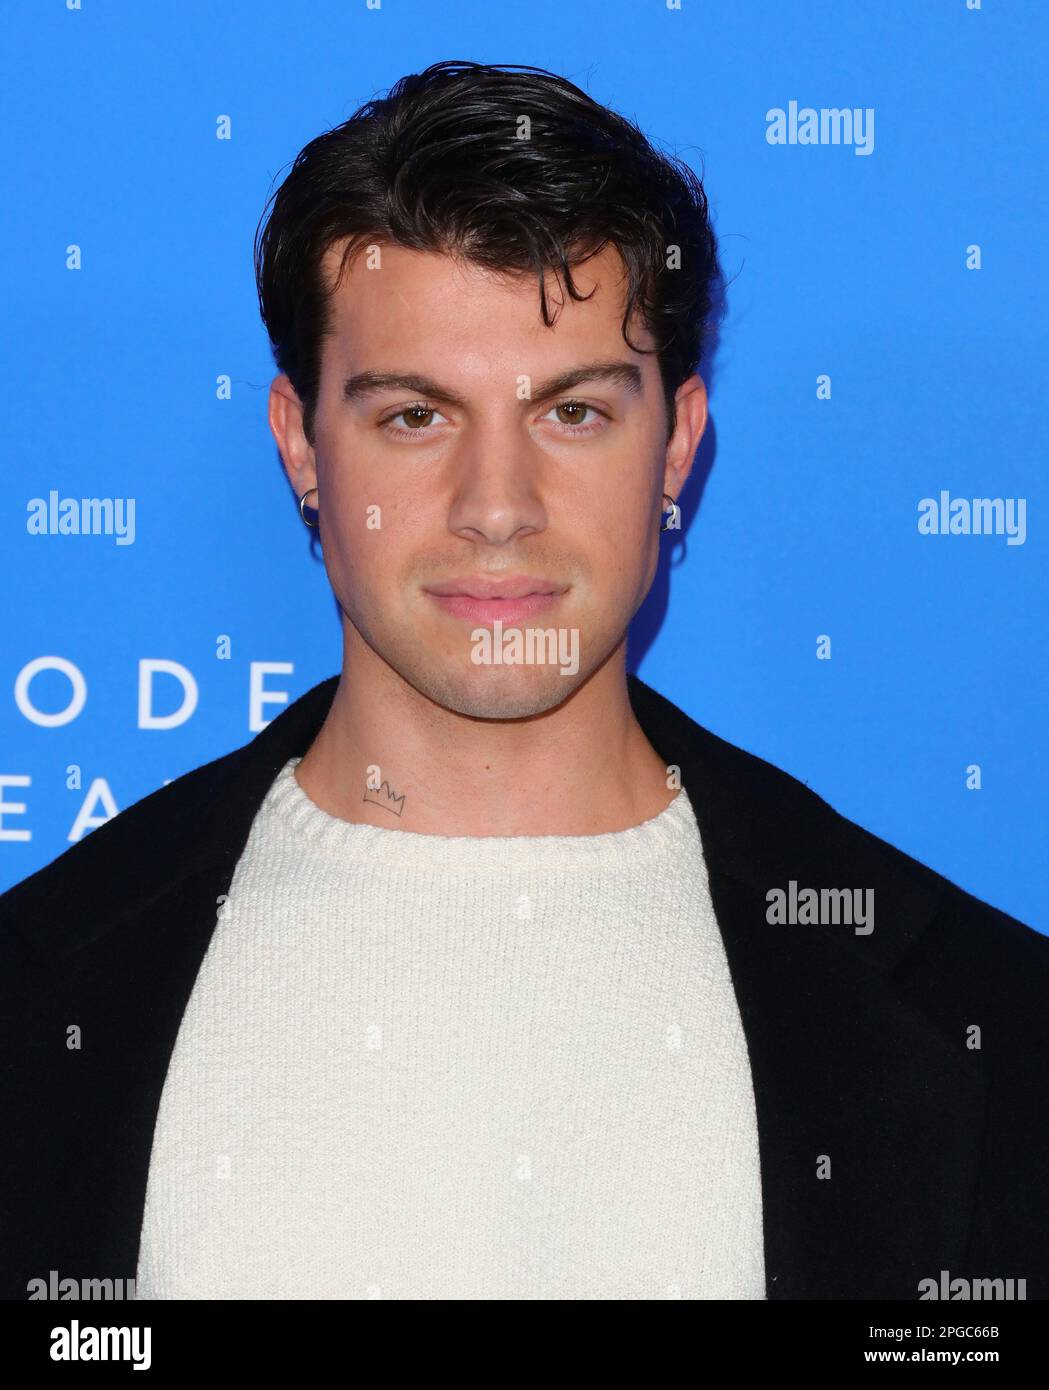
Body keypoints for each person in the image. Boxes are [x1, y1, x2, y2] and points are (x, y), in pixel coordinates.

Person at [2, 60, 1046, 1302]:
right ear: (299, 443)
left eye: (573, 414)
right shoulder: (42, 989)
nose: (495, 509)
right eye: (413, 417)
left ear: (679, 439)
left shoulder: (986, 1016)